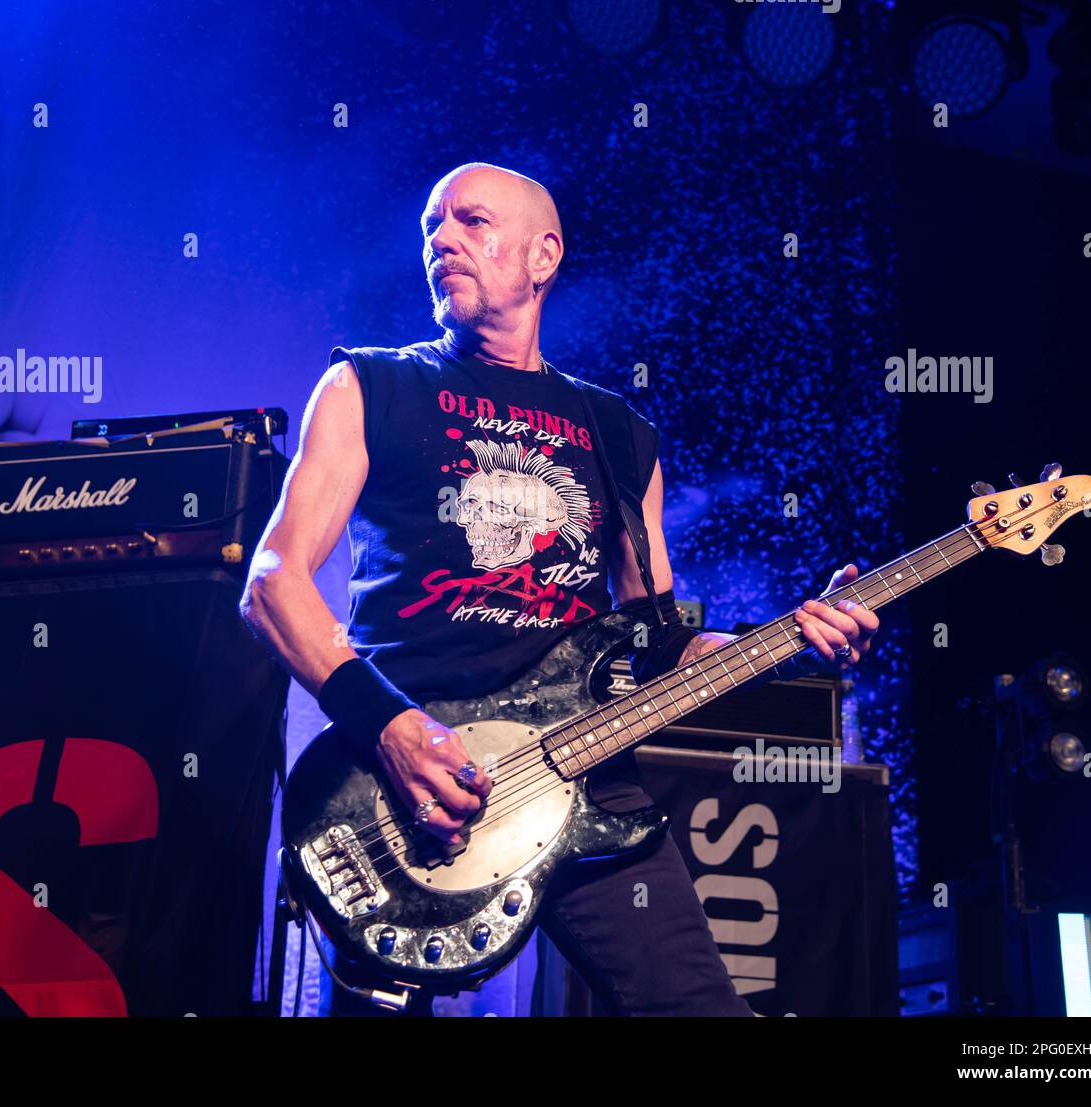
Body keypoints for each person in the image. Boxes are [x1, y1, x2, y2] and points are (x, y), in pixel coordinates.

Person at [240, 162, 879, 1016]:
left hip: (584, 775)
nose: (441, 240)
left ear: (543, 256)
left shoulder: (618, 432)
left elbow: (656, 640)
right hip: (405, 780)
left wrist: (786, 644)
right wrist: (392, 729)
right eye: (431, 227)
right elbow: (272, 581)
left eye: (470, 221)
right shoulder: (370, 385)